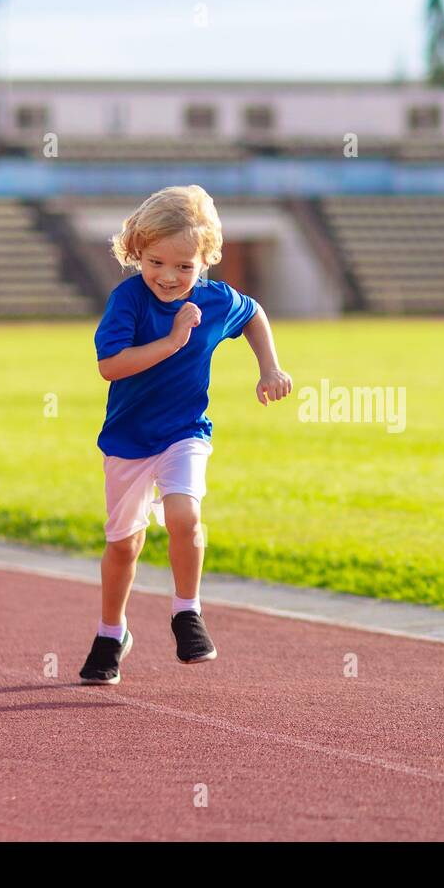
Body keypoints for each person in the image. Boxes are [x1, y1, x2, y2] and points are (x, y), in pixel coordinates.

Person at [79, 185, 292, 684]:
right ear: (135, 252)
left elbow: (254, 313)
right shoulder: (127, 301)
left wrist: (270, 368)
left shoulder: (216, 302)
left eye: (184, 267)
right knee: (124, 546)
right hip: (129, 441)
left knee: (184, 513)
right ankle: (112, 632)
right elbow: (111, 366)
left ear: (206, 261)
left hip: (184, 432)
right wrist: (175, 340)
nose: (169, 277)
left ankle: (186, 612)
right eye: (156, 262)